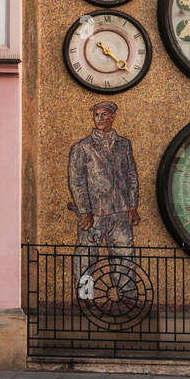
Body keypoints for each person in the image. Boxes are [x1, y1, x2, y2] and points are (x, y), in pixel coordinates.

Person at [68, 101, 141, 307]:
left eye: (104, 115)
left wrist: (132, 206)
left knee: (124, 255)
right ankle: (84, 298)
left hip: (120, 212)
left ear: (112, 117)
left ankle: (126, 297)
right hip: (94, 215)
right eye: (96, 115)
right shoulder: (82, 147)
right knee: (86, 258)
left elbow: (131, 175)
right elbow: (77, 182)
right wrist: (85, 211)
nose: (99, 118)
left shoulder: (124, 145)